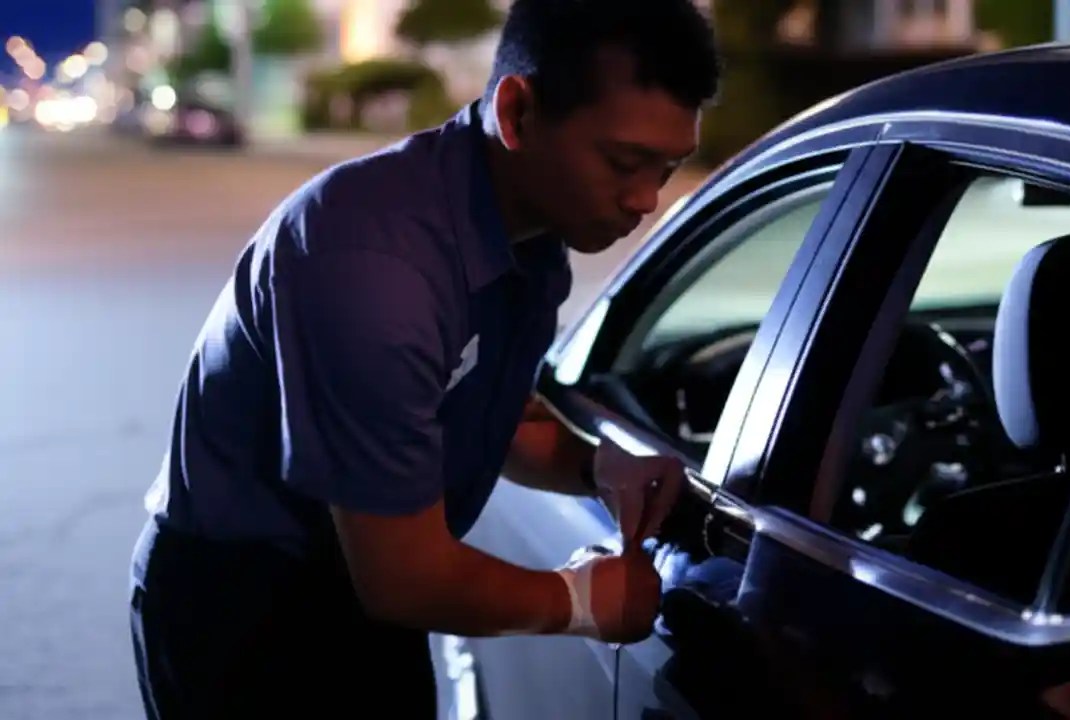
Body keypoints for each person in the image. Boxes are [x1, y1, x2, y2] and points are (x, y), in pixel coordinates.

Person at [127, 0, 721, 717]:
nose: (646, 200)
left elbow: (490, 417)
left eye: (668, 167)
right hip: (244, 604)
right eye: (624, 162)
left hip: (370, 590)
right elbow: (403, 579)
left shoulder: (535, 239)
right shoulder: (373, 260)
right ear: (518, 112)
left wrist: (599, 467)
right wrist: (579, 600)